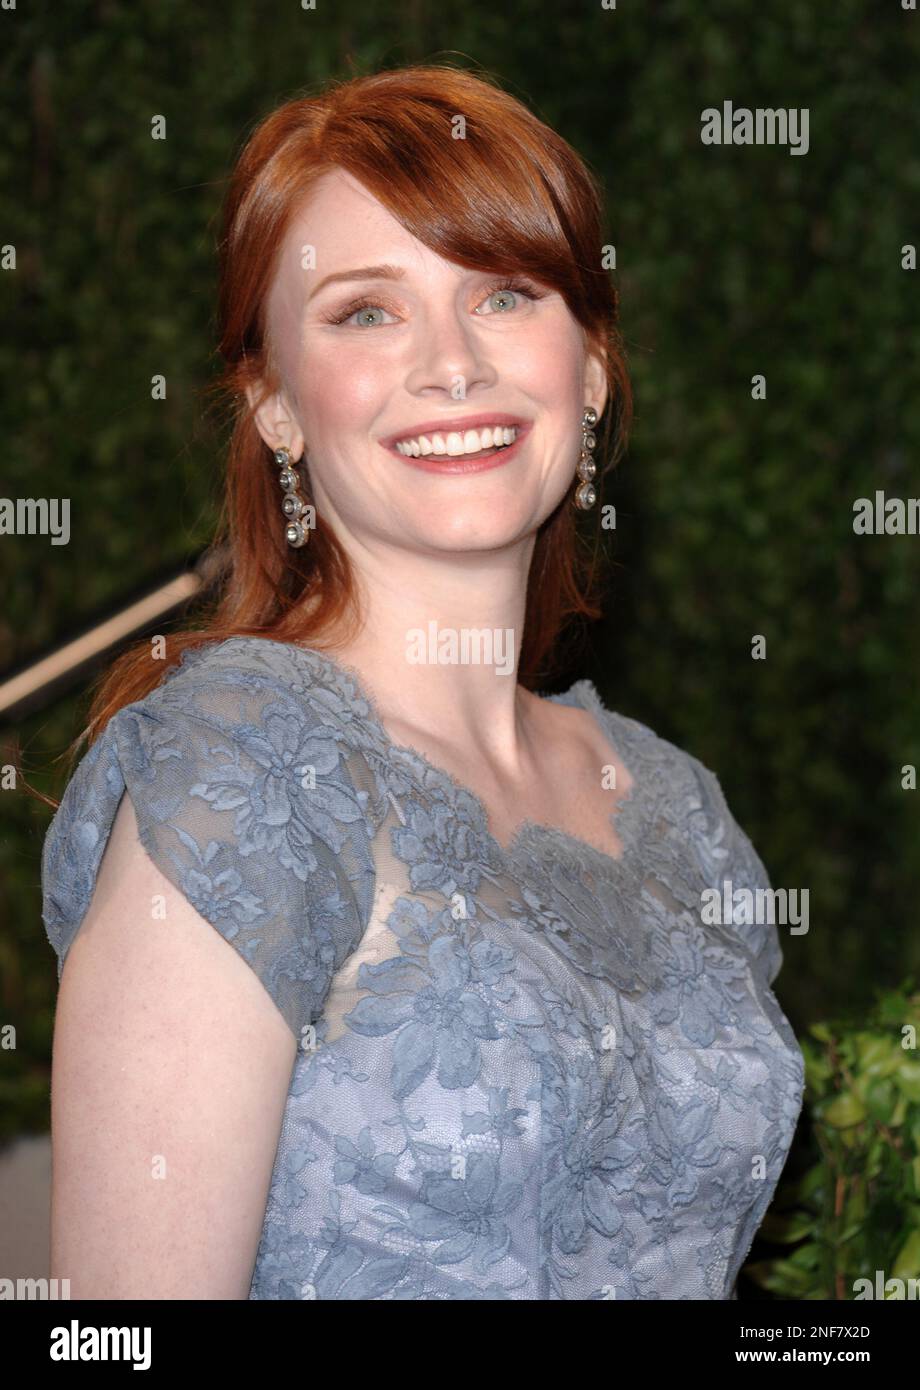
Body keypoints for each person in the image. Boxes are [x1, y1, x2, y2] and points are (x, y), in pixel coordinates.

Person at [41, 63, 804, 1300]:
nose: (450, 364)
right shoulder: (240, 774)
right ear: (276, 405)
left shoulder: (675, 805)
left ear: (592, 370)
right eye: (364, 312)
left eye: (503, 295)